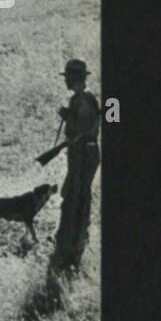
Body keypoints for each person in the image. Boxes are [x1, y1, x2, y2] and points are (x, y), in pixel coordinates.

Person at [50, 59, 100, 274]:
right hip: (79, 154)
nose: (66, 81)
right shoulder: (78, 99)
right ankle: (68, 242)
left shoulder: (86, 99)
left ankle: (73, 246)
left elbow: (86, 128)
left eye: (68, 77)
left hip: (85, 154)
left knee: (77, 197)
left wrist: (68, 117)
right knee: (72, 194)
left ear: (76, 78)